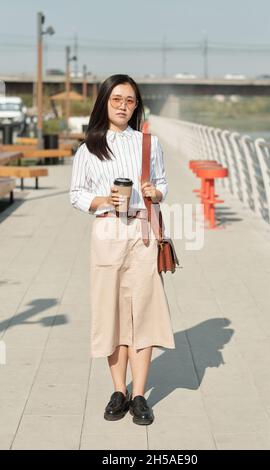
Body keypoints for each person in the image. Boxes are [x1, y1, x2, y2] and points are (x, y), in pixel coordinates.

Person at [69, 74, 175, 426]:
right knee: (110, 312)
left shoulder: (149, 143)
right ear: (104, 102)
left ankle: (140, 394)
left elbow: (161, 184)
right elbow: (76, 194)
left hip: (142, 233)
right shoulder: (90, 148)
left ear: (136, 105)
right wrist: (103, 200)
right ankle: (119, 390)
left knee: (143, 312)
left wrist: (154, 192)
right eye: (117, 99)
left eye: (130, 101)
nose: (123, 106)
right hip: (107, 232)